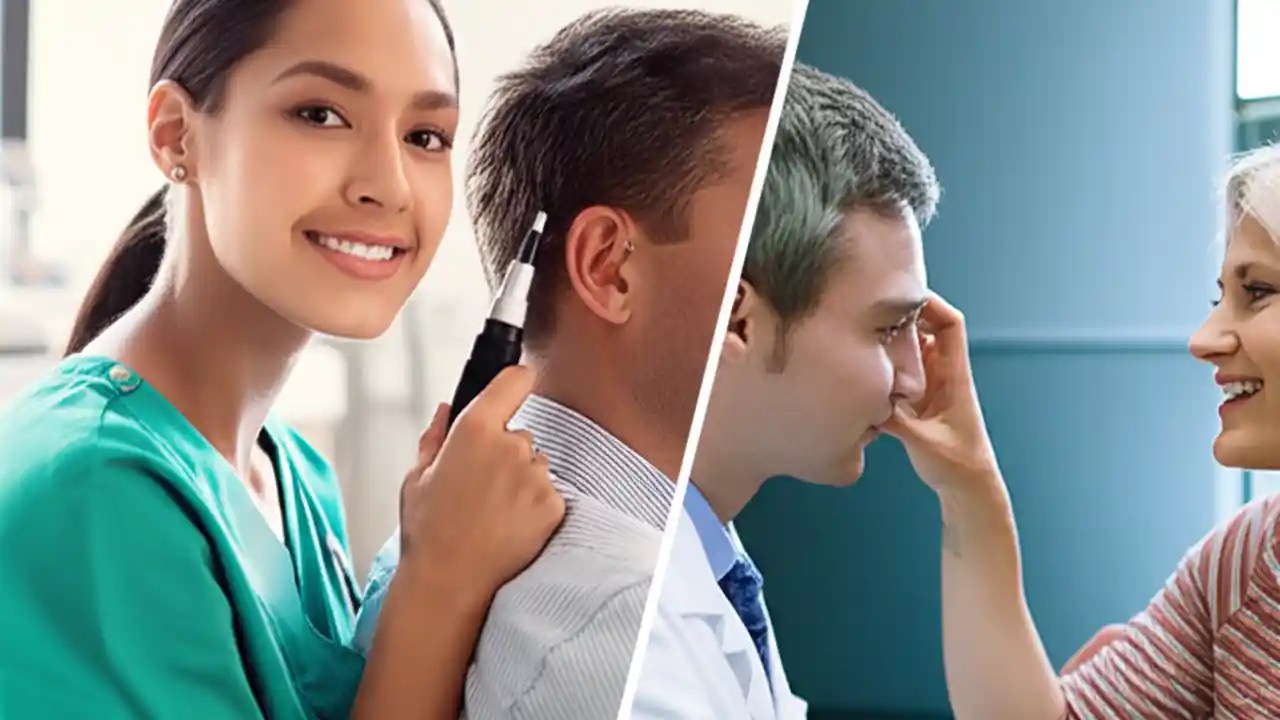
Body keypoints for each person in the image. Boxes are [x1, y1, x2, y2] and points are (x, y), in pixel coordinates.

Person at [0, 1, 565, 718]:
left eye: (425, 135)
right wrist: (443, 579)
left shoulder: (295, 475)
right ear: (177, 135)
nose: (388, 184)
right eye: (321, 114)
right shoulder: (98, 494)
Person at [352, 8, 786, 718]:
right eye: (758, 225)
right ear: (610, 267)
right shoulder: (616, 624)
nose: (784, 271)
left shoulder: (434, 532)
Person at [881, 147, 1280, 717]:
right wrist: (968, 485)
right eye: (1221, 298)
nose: (1205, 338)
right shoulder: (1243, 562)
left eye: (1258, 292)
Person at [631, 63, 940, 718]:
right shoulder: (637, 634)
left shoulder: (711, 560)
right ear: (735, 319)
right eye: (889, 328)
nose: (915, 381)